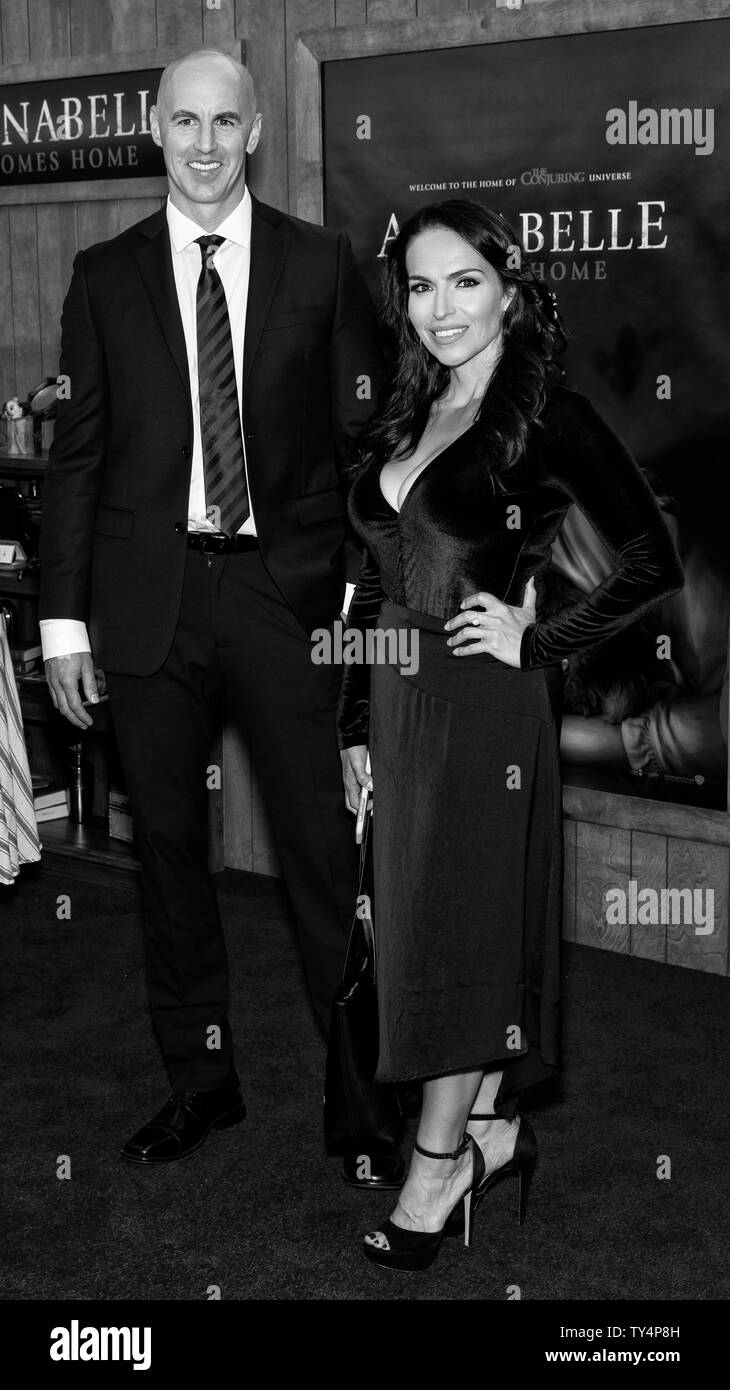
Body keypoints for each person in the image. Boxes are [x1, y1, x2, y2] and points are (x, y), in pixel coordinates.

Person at [38, 49, 401, 1186]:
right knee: (172, 864)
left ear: (252, 132)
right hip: (145, 607)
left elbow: (365, 454)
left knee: (319, 859)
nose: (202, 142)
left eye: (224, 122)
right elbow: (79, 462)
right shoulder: (103, 275)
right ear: (156, 127)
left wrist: (354, 610)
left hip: (280, 598)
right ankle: (204, 1084)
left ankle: (366, 1111)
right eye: (183, 120)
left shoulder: (322, 263)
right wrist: (62, 629)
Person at [339, 199, 684, 1271]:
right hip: (396, 696)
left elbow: (649, 560)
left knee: (458, 931)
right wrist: (354, 725)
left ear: (510, 290)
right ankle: (487, 1129)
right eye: (420, 286)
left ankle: (437, 1162)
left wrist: (542, 641)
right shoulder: (411, 407)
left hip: (484, 703)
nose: (440, 308)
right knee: (413, 921)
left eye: (465, 283)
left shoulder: (547, 414)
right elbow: (366, 582)